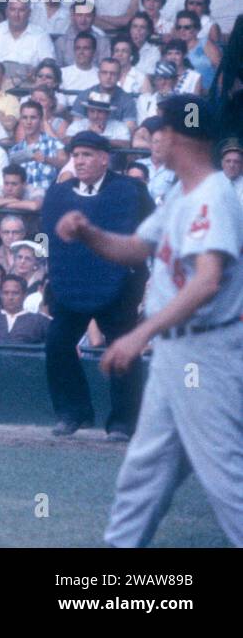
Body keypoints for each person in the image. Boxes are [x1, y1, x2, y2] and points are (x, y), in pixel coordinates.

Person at [56, 95, 243, 547]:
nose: (154, 138)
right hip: (178, 351)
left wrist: (138, 334)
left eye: (162, 130)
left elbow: (206, 283)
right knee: (144, 470)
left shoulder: (214, 196)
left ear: (181, 136)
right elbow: (135, 248)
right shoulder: (182, 192)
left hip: (207, 351)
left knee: (225, 478)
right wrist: (88, 232)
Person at [43, 131, 156, 440]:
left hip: (118, 284)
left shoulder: (130, 191)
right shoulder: (58, 194)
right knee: (56, 343)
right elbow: (51, 241)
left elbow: (150, 233)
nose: (80, 161)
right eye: (76, 155)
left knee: (122, 349)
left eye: (87, 155)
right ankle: (72, 412)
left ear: (105, 158)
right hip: (71, 285)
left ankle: (123, 422)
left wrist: (144, 277)